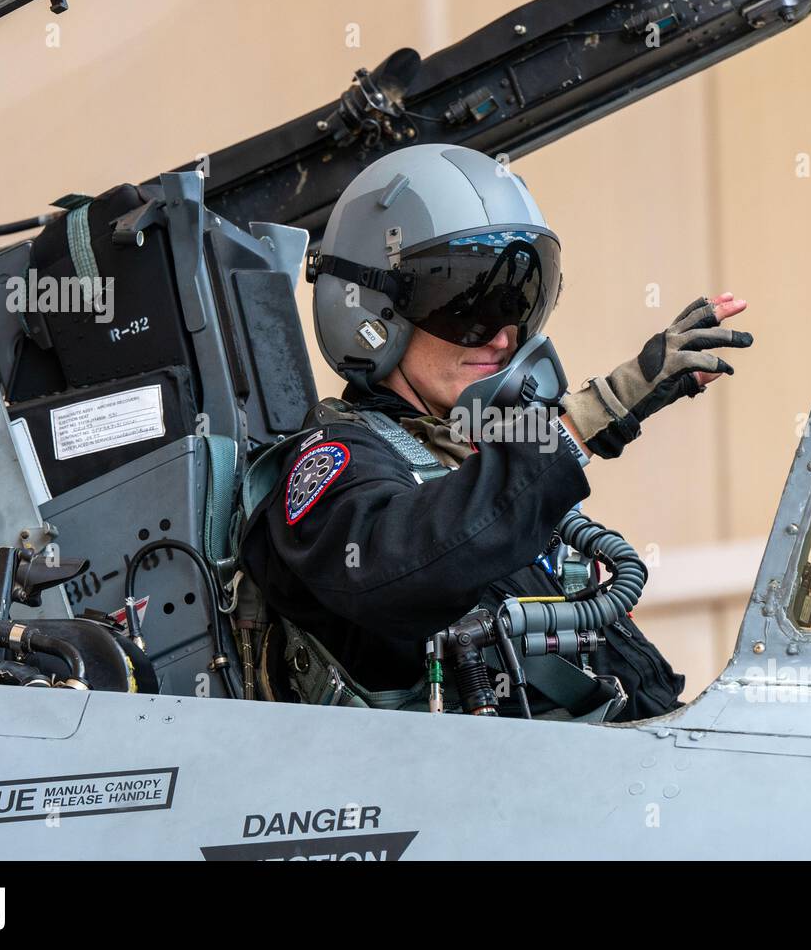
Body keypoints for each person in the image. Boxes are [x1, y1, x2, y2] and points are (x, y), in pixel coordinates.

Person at [240, 144, 751, 721]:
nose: (504, 338)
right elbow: (397, 565)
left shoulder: (465, 459)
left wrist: (611, 414)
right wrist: (584, 417)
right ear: (372, 312)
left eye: (519, 304)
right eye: (468, 306)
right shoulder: (334, 463)